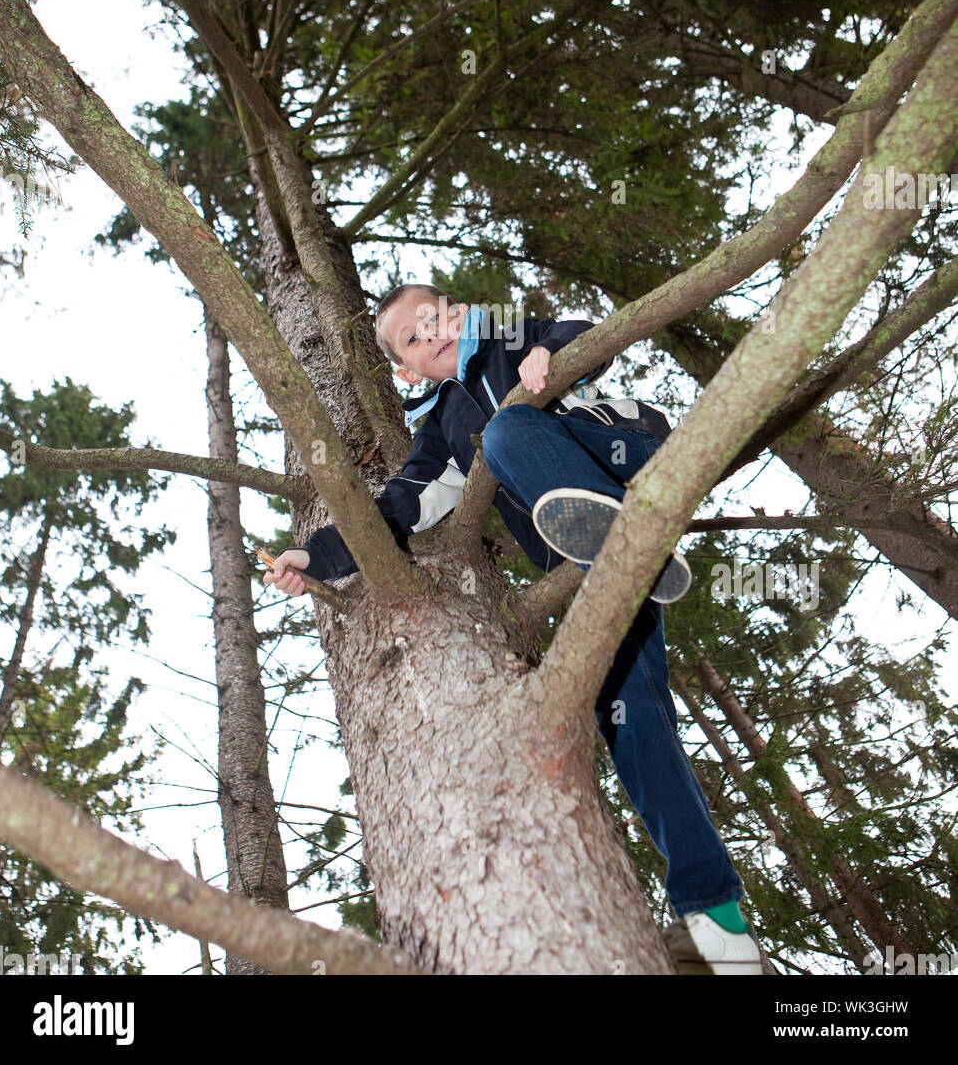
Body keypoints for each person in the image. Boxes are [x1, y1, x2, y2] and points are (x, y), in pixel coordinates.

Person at [265, 282, 763, 974]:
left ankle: (623, 530)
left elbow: (585, 332)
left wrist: (547, 357)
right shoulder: (438, 427)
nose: (430, 333)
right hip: (588, 560)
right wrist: (314, 556)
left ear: (462, 314)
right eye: (412, 338)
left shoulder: (506, 340)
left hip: (622, 455)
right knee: (629, 713)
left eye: (436, 318)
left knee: (505, 430)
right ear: (406, 370)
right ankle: (719, 921)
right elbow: (402, 503)